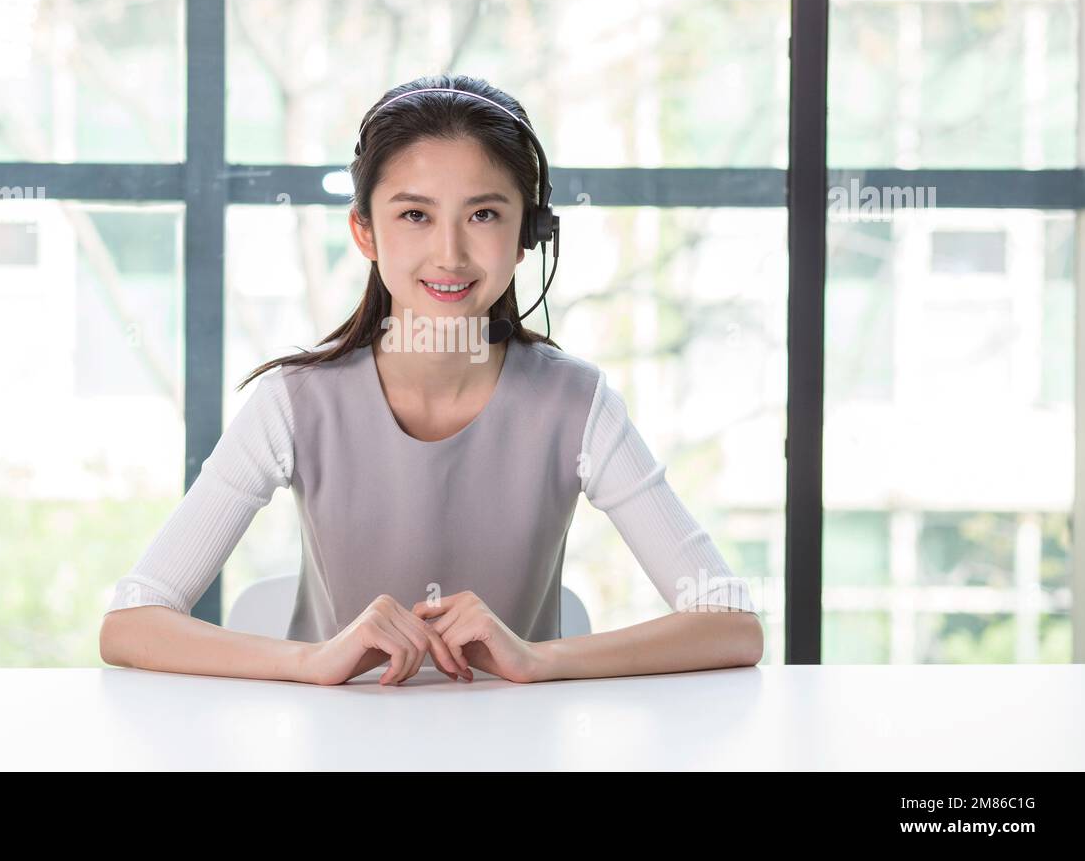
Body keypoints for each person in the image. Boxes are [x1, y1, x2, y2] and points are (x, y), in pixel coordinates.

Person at [100, 73, 762, 686]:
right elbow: (131, 622)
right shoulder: (294, 404)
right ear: (365, 231)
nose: (449, 253)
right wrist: (311, 659)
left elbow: (731, 624)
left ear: (528, 233)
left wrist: (536, 658)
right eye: (414, 215)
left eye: (484, 215)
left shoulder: (575, 403)